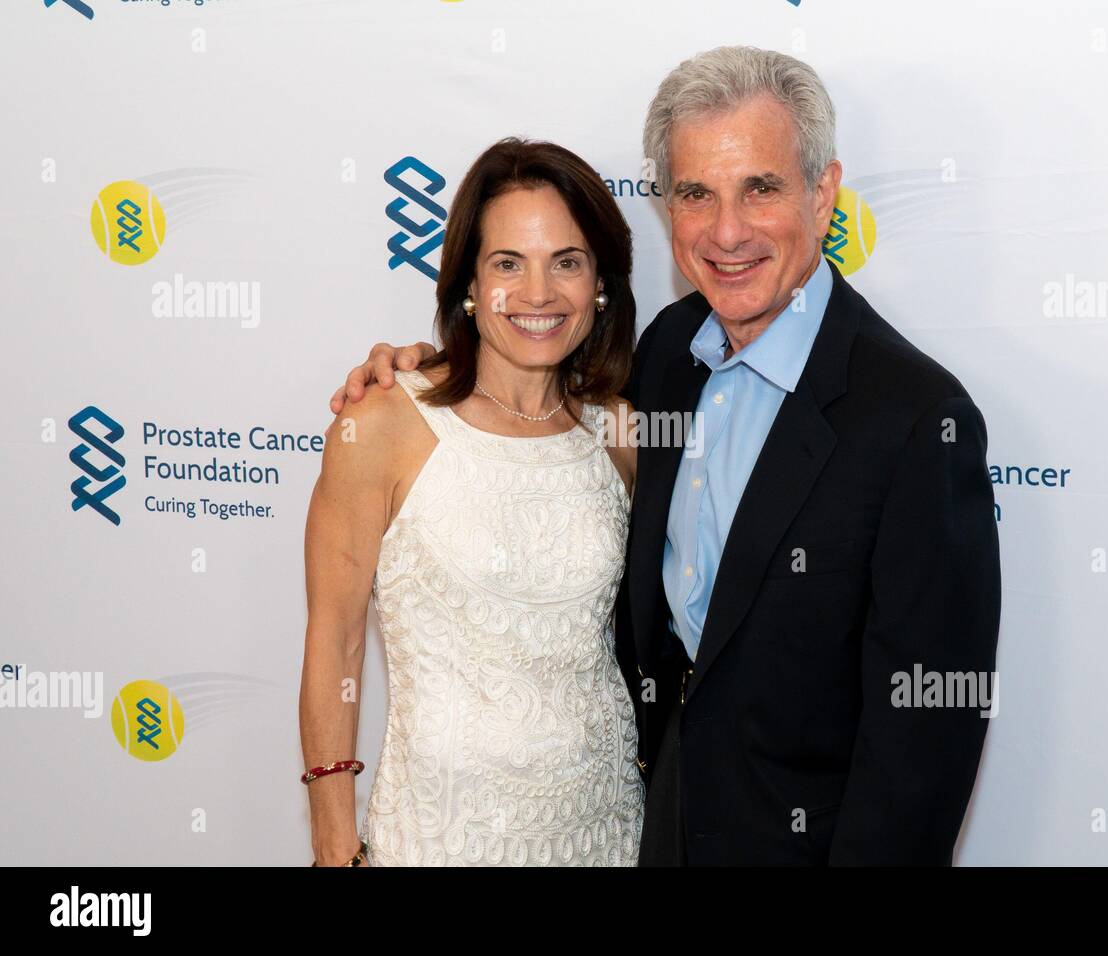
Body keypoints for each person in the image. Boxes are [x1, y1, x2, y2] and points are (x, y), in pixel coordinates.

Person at [331, 46, 1001, 866]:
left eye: (761, 187)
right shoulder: (668, 355)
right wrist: (424, 366)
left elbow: (923, 749)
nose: (727, 232)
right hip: (647, 826)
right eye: (696, 194)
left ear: (824, 194)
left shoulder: (916, 420)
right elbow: (524, 399)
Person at [300, 137, 643, 866]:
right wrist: (334, 843)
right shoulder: (385, 421)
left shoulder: (620, 429)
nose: (539, 294)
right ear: (466, 282)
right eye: (508, 264)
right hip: (441, 835)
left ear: (600, 285)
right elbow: (335, 637)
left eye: (568, 262)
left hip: (604, 827)